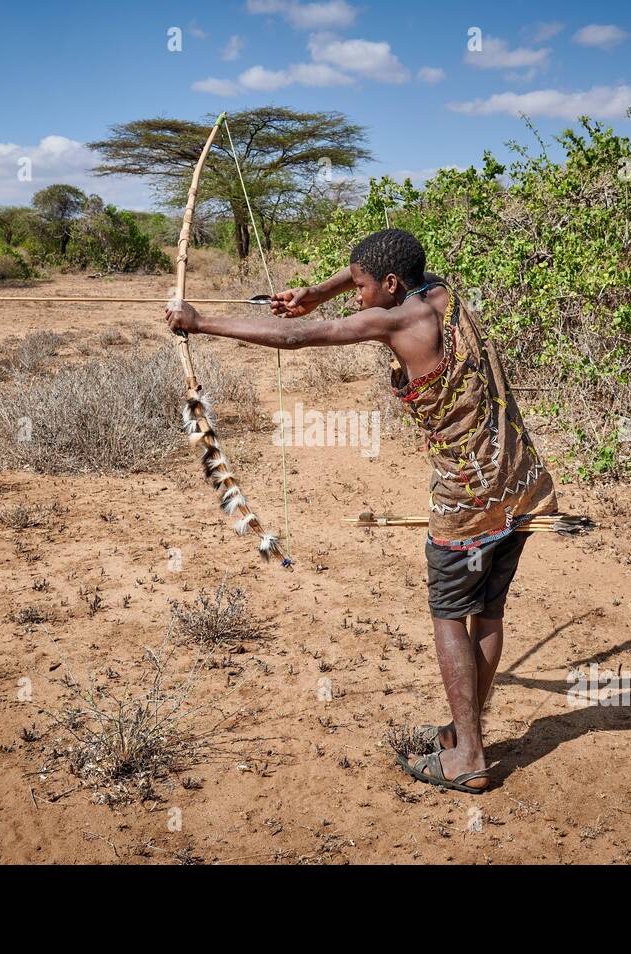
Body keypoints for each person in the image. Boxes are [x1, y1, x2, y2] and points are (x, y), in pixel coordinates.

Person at [166, 228, 557, 793]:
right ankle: (463, 732)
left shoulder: (394, 320)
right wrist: (317, 292)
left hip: (468, 498)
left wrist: (199, 323)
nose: (356, 295)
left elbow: (299, 340)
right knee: (487, 611)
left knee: (449, 613)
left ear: (391, 285)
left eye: (363, 286)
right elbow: (348, 286)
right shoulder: (441, 293)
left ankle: (468, 755)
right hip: (517, 483)